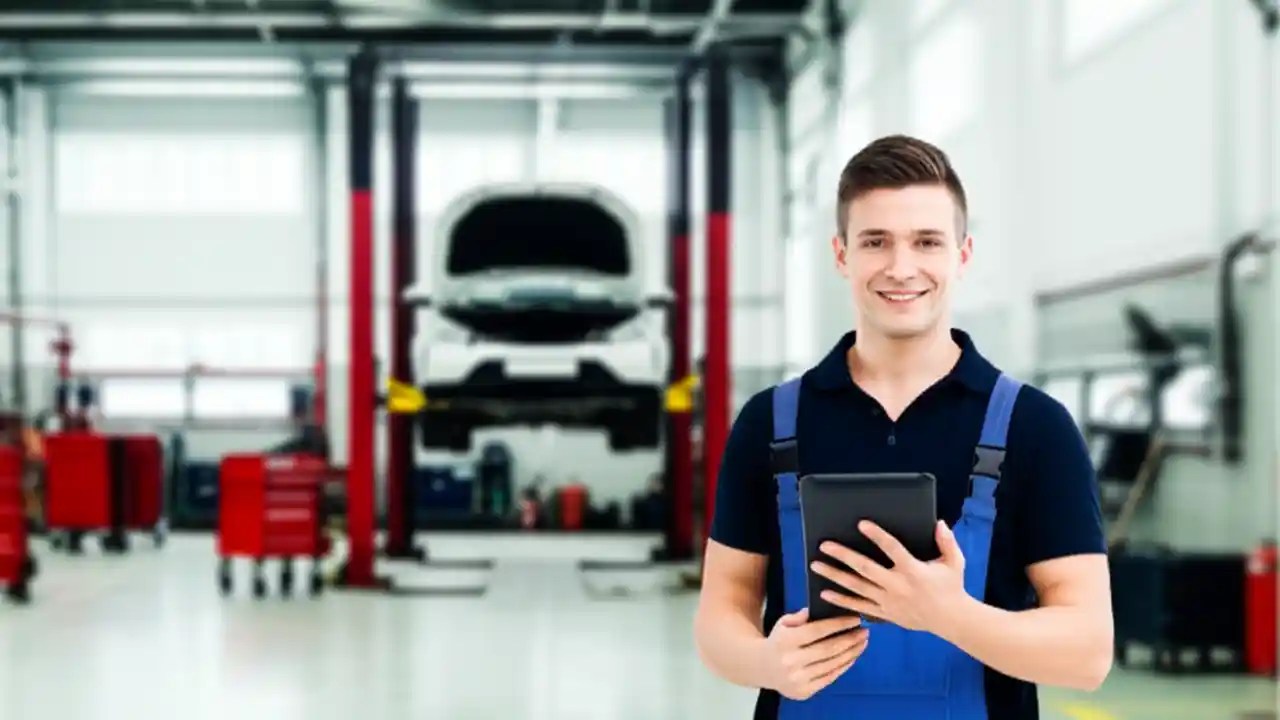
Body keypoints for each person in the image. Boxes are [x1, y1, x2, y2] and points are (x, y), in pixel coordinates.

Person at [693, 134, 1113, 719]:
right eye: (875, 241)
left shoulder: (1035, 428)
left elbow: (1088, 653)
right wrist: (765, 662)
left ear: (962, 255)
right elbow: (721, 612)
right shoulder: (770, 422)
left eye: (927, 242)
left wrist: (947, 614)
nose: (901, 267)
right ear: (841, 255)